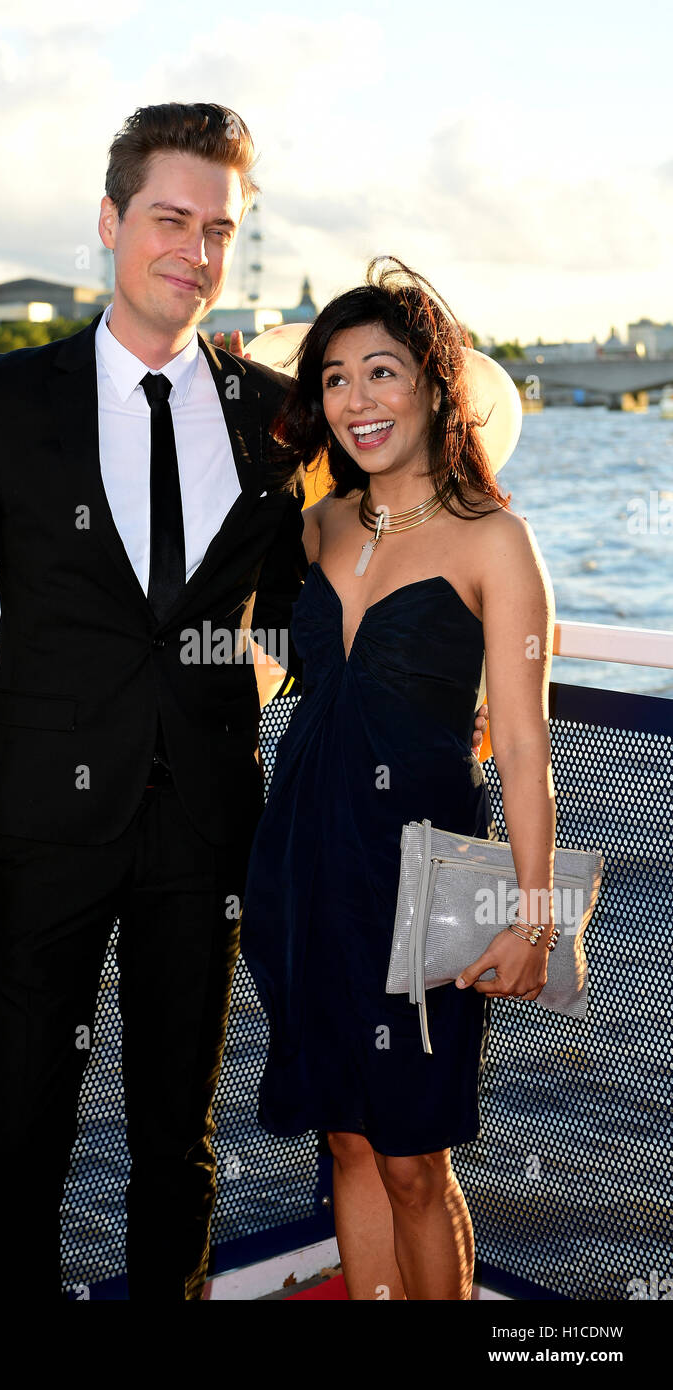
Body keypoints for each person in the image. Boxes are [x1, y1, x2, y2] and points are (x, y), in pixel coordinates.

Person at [0, 103, 487, 1304]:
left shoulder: (282, 415)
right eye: (170, 219)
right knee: (22, 1141)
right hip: (43, 829)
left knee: (179, 1145)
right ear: (110, 224)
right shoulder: (7, 397)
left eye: (218, 229)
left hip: (211, 835)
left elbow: (357, 559)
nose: (195, 251)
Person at [239, 257, 556, 1301]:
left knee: (418, 1160)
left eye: (380, 371)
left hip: (417, 879)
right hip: (301, 867)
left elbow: (520, 745)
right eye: (333, 378)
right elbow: (249, 672)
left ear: (432, 385)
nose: (356, 398)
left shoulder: (496, 542)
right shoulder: (317, 526)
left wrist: (532, 914)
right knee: (346, 1143)